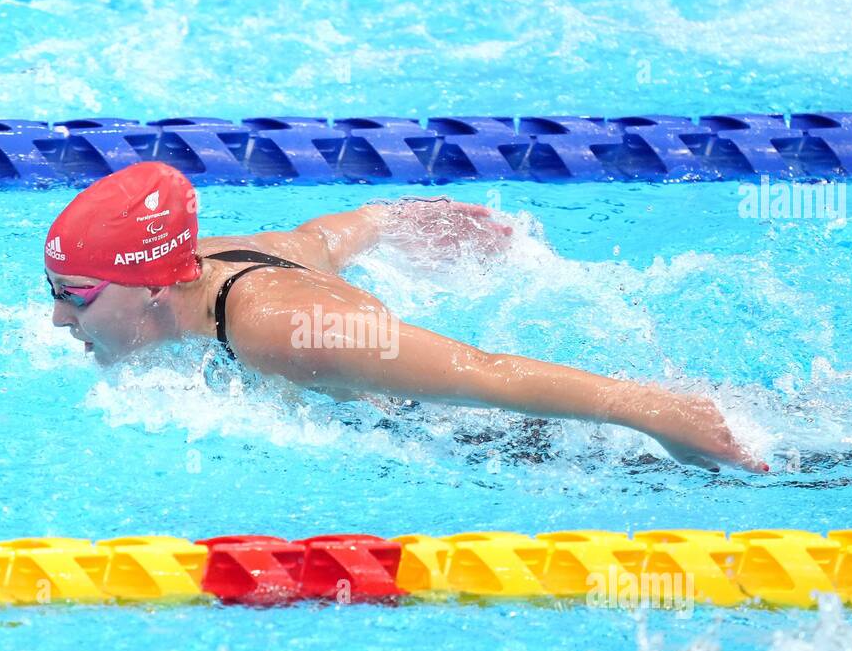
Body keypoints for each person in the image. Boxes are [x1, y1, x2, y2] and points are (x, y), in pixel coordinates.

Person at [44, 161, 768, 473]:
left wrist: (657, 412)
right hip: (446, 409)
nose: (54, 318)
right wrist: (393, 218)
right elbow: (321, 239)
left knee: (808, 457)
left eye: (74, 295)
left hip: (503, 434)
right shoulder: (215, 261)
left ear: (151, 289)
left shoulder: (280, 331)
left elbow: (483, 373)